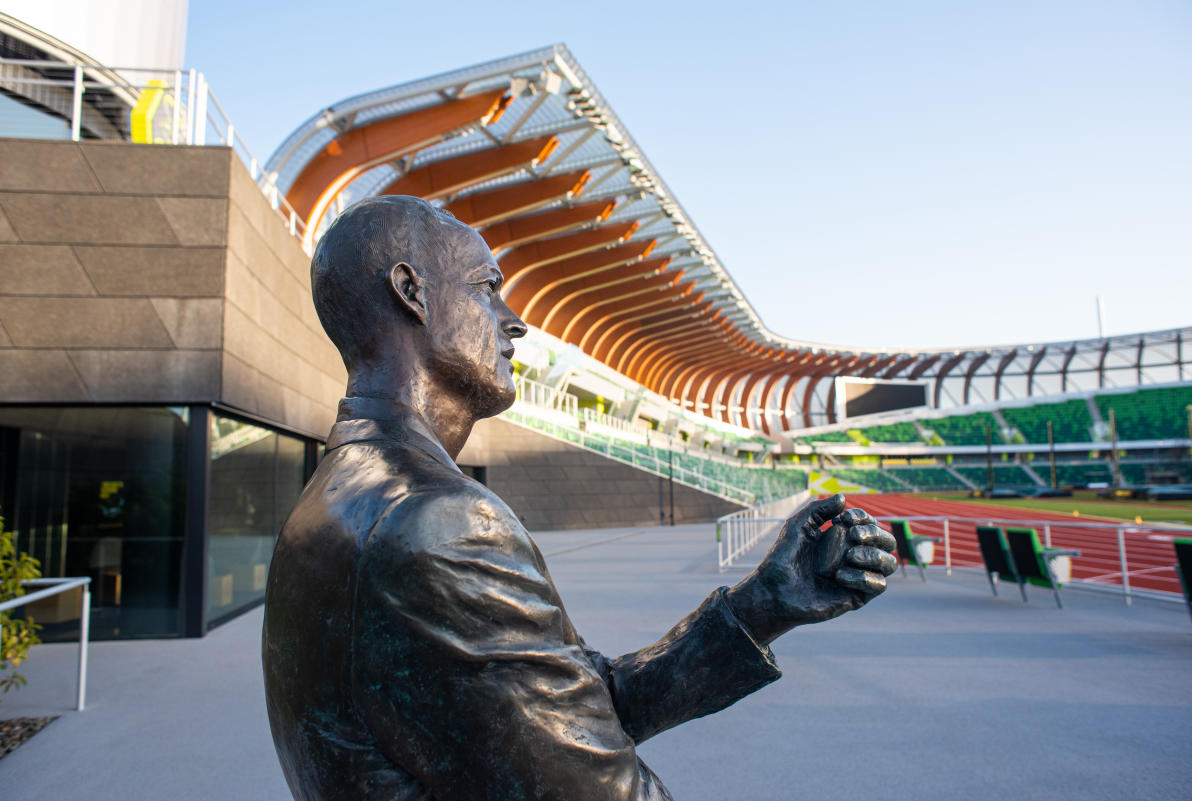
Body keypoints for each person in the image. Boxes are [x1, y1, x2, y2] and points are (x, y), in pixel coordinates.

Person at [262, 196, 898, 801]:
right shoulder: (439, 523)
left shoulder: (327, 500)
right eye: (486, 289)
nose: (514, 321)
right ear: (412, 293)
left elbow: (571, 713)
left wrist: (761, 606)